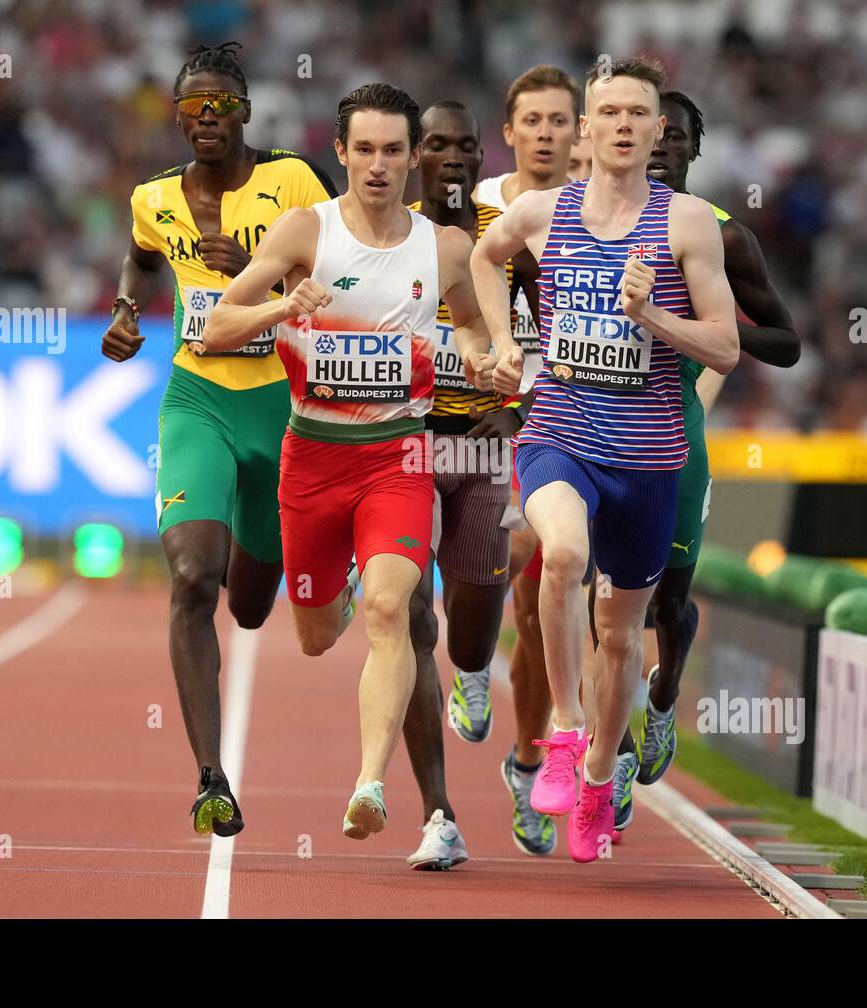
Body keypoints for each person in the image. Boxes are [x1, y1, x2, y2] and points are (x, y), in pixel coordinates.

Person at [200, 83, 519, 844]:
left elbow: (473, 329)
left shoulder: (443, 247)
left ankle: (369, 783)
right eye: (365, 149)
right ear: (340, 152)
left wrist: (486, 361)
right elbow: (216, 326)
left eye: (394, 151)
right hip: (311, 460)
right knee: (314, 638)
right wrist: (283, 306)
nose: (379, 165)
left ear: (414, 159)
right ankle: (334, 591)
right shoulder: (305, 230)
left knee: (392, 612)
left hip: (397, 459)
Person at [470, 56, 738, 863]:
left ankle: (594, 778)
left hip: (650, 458)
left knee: (620, 636)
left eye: (638, 114)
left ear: (659, 130)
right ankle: (562, 729)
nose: (623, 125)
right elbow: (485, 259)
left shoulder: (688, 223)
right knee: (562, 555)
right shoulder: (543, 212)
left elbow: (725, 345)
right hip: (560, 431)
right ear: (587, 129)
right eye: (609, 112)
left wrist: (651, 314)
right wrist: (506, 340)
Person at [101, 42, 335, 836]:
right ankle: (210, 780)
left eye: (224, 105)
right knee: (194, 577)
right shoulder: (151, 198)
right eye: (195, 106)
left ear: (245, 112)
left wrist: (263, 276)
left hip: (281, 405)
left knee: (252, 602)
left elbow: (347, 268)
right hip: (196, 397)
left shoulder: (296, 182)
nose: (209, 118)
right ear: (178, 115)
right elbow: (137, 264)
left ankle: (260, 566)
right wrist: (126, 310)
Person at [607, 90, 801, 833]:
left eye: (673, 135)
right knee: (603, 607)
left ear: (692, 148)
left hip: (675, 436)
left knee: (664, 606)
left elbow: (786, 343)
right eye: (643, 128)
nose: (655, 143)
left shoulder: (724, 236)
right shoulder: (586, 217)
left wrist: (710, 332)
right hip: (591, 430)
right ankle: (615, 751)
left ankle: (663, 700)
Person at [400, 100, 539, 868]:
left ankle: (476, 673)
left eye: (464, 146)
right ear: (417, 154)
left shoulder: (509, 238)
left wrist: (517, 417)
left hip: (485, 446)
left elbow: (556, 337)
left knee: (474, 613)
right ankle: (438, 816)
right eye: (436, 144)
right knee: (414, 618)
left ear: (480, 155)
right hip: (408, 446)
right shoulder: (391, 233)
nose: (451, 157)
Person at [471, 65, 579, 857]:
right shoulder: (476, 204)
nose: (545, 133)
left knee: (560, 604)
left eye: (558, 121)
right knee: (508, 576)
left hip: (579, 413)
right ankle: (473, 665)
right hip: (489, 412)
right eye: (531, 121)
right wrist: (486, 352)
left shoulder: (608, 207)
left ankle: (544, 755)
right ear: (508, 132)